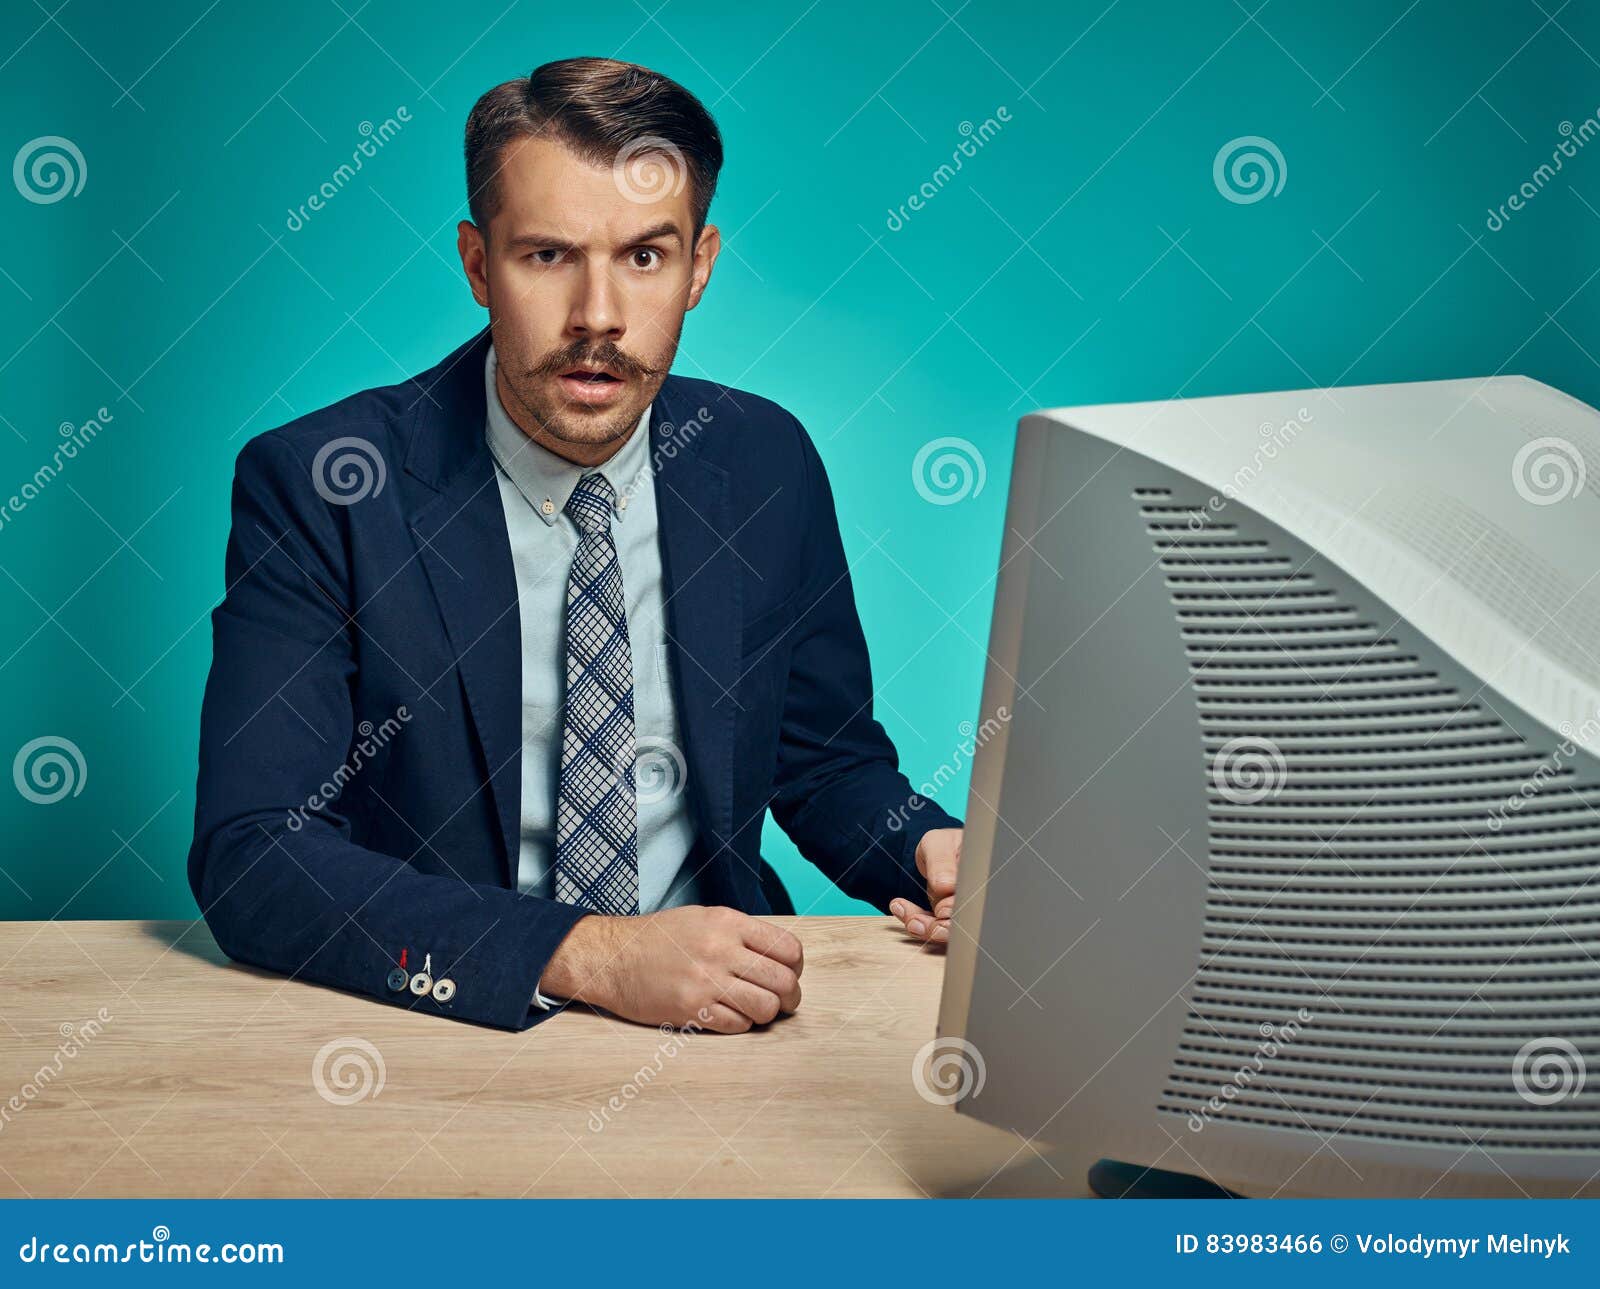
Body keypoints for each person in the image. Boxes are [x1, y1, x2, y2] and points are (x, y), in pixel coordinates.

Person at [187, 57, 963, 1034]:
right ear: (478, 264)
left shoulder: (764, 459)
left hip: (730, 1019)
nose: (598, 316)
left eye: (645, 257)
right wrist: (585, 950)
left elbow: (820, 761)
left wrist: (927, 843)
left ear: (700, 266)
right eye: (549, 255)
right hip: (443, 1031)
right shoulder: (324, 484)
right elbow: (257, 853)